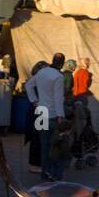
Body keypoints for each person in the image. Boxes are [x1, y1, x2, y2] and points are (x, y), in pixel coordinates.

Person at [25, 53, 68, 182]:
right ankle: (55, 174)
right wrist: (61, 116)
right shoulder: (58, 77)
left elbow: (28, 85)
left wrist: (34, 100)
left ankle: (45, 173)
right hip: (53, 115)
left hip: (40, 112)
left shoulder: (41, 72)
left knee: (43, 145)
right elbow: (58, 98)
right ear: (61, 64)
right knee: (56, 145)